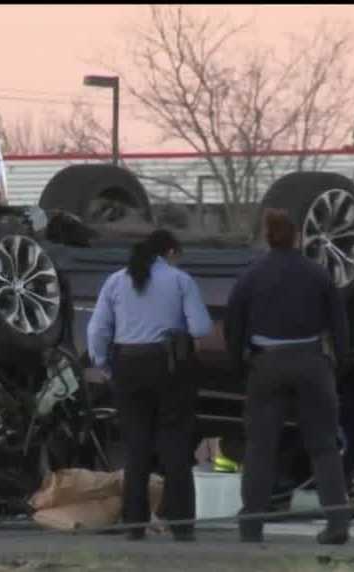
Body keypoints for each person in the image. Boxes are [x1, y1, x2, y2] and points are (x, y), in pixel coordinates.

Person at [224, 208, 352, 545]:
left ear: (267, 236)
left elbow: (233, 325)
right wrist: (340, 364)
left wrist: (239, 367)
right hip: (312, 362)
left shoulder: (251, 275)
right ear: (297, 236)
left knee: (260, 448)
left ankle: (252, 525)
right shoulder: (318, 273)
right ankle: (337, 522)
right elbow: (339, 325)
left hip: (266, 366)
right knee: (323, 447)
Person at [87, 229, 212, 542]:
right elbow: (201, 327)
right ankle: (182, 525)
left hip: (127, 366)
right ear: (169, 252)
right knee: (175, 446)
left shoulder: (115, 281)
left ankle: (134, 524)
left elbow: (97, 330)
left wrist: (103, 364)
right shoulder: (180, 280)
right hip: (169, 367)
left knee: (136, 448)